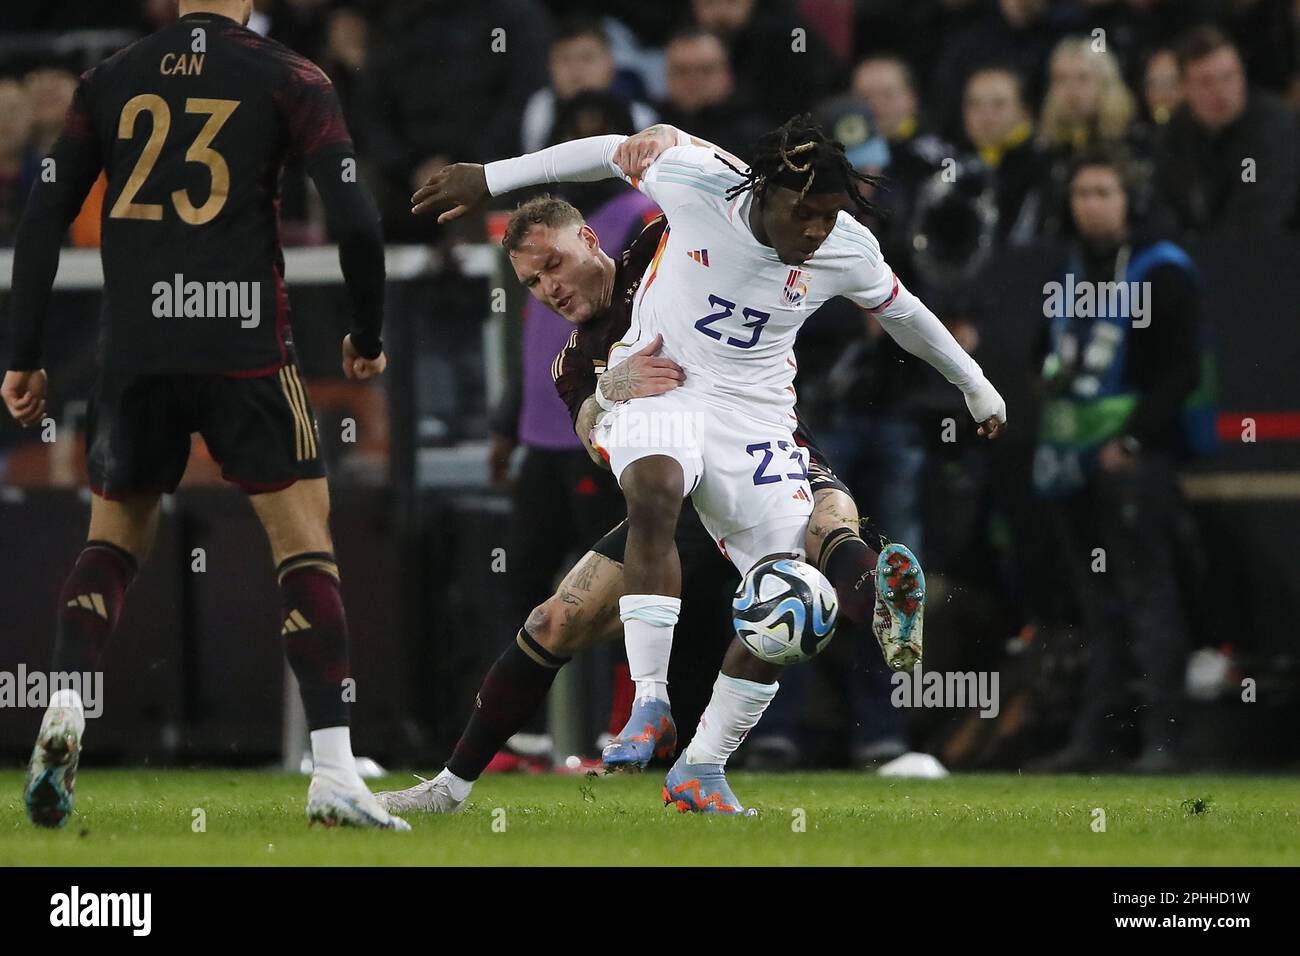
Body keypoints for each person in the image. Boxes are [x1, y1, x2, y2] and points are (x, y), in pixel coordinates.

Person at [402, 115, 1007, 813]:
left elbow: (729, 168)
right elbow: (594, 437)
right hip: (670, 493)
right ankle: (450, 787)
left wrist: (667, 134)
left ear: (589, 240)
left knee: (805, 573)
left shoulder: (669, 229)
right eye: (533, 282)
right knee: (553, 623)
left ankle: (852, 624)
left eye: (554, 265)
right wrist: (610, 390)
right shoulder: (576, 359)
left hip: (751, 441)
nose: (550, 288)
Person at [2, 0, 403, 830]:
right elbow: (357, 217)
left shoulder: (108, 79)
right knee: (304, 540)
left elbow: (41, 216)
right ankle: (331, 767)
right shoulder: (292, 75)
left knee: (110, 542)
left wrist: (23, 354)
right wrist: (367, 331)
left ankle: (66, 701)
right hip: (246, 349)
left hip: (136, 353)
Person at [1027, 147, 1205, 773]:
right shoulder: (1069, 271)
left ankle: (1164, 738)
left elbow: (1183, 372)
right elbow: (1038, 356)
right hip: (1071, 460)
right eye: (1082, 194)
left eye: (1104, 192)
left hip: (1136, 462)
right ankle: (1094, 738)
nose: (1091, 205)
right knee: (1093, 602)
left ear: (1130, 201)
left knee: (1148, 594)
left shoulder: (1163, 272)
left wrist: (1131, 441)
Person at [1154, 26, 1299, 237]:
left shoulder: (1271, 125)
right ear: (1185, 88)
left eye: (1229, 77)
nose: (1221, 91)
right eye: (1206, 82)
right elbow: (1168, 205)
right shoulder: (1176, 133)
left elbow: (1262, 213)